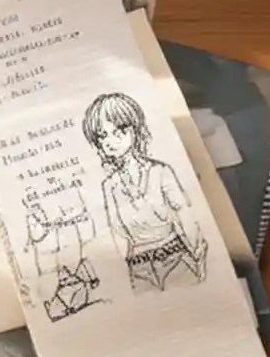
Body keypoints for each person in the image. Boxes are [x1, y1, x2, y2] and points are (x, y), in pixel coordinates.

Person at [82, 92, 207, 293]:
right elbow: (118, 235)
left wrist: (198, 252)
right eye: (102, 136)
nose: (110, 141)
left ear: (134, 130)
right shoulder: (110, 186)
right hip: (139, 268)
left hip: (175, 258)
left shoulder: (160, 172)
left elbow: (185, 215)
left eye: (119, 131)